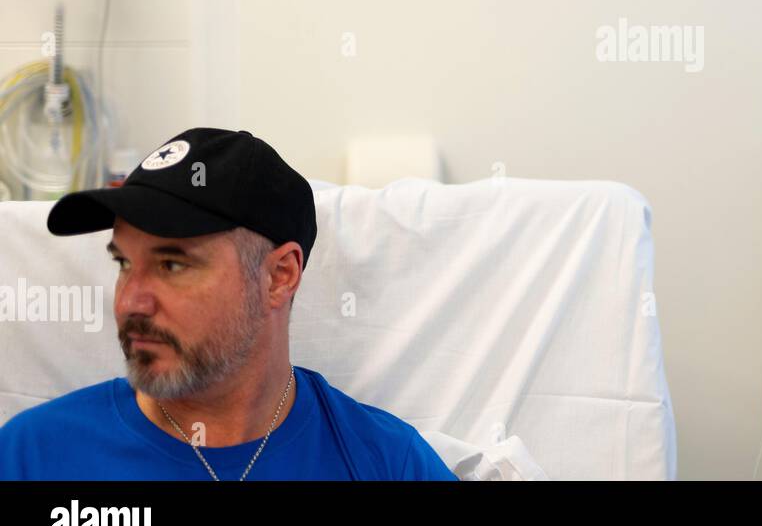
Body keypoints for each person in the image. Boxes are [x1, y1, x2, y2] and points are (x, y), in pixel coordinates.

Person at [0, 127, 456, 480]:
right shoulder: (34, 457)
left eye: (173, 265)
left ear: (279, 276)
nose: (130, 302)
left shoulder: (385, 462)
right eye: (123, 264)